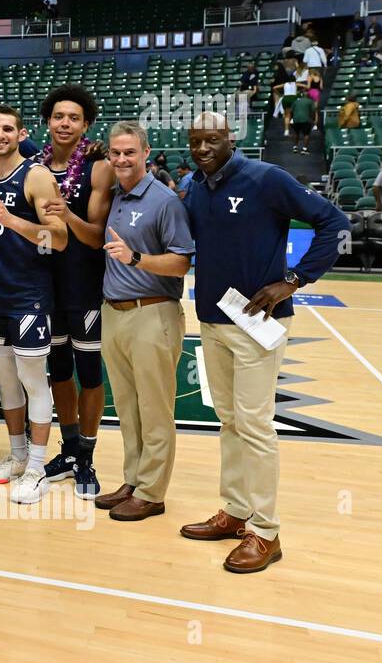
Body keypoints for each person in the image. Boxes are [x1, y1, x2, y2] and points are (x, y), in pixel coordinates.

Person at [181, 112, 348, 572]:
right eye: (195, 141)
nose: (203, 148)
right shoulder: (195, 186)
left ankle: (266, 532)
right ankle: (235, 512)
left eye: (212, 139)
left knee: (255, 424)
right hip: (213, 319)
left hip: (259, 321)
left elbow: (334, 223)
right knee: (230, 420)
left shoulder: (266, 178)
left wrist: (293, 280)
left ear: (230, 139)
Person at [95, 122, 194, 522]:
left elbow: (182, 262)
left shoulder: (164, 201)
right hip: (114, 313)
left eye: (129, 152)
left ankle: (153, 492)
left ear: (146, 152)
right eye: (115, 153)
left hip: (152, 313)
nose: (121, 159)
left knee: (154, 409)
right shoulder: (115, 196)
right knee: (127, 407)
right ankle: (133, 480)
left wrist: (135, 258)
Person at [0, 105, 67, 503]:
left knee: (34, 382)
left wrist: (13, 220)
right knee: (7, 383)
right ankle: (16, 456)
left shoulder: (36, 176)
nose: (0, 134)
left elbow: (59, 239)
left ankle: (37, 467)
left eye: (7, 129)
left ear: (21, 133)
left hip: (29, 296)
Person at [37, 85, 112, 500]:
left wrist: (67, 214)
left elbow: (98, 236)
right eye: (59, 117)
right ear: (48, 122)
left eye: (74, 118)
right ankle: (67, 449)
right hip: (46, 283)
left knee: (88, 372)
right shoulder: (36, 165)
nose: (65, 123)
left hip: (84, 282)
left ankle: (87, 452)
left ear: (85, 125)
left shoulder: (98, 168)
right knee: (59, 370)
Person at [289, 89, 316, 154]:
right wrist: (313, 119)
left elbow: (291, 111)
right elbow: (313, 111)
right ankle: (304, 149)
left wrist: (292, 118)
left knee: (296, 133)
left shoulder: (295, 101)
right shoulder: (310, 101)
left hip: (296, 119)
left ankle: (295, 147)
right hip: (306, 120)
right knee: (306, 134)